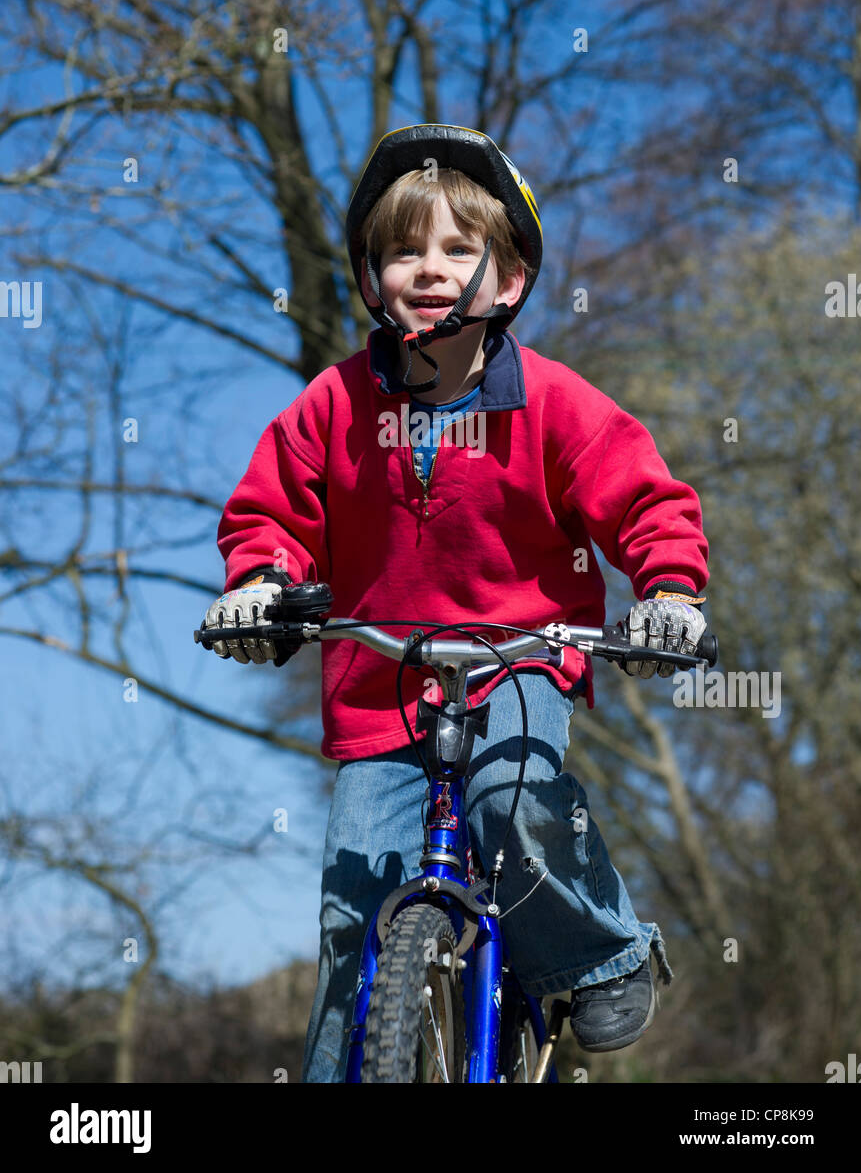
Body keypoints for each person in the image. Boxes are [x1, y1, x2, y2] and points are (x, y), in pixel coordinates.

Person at [202, 123, 710, 1082]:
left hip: (518, 659)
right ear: (371, 275)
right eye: (403, 250)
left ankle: (605, 951)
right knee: (352, 918)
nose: (427, 269)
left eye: (456, 250)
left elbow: (647, 500)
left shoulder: (554, 403)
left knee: (510, 801)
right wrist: (261, 585)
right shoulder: (334, 406)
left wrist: (669, 592)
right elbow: (271, 508)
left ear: (508, 280)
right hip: (379, 685)